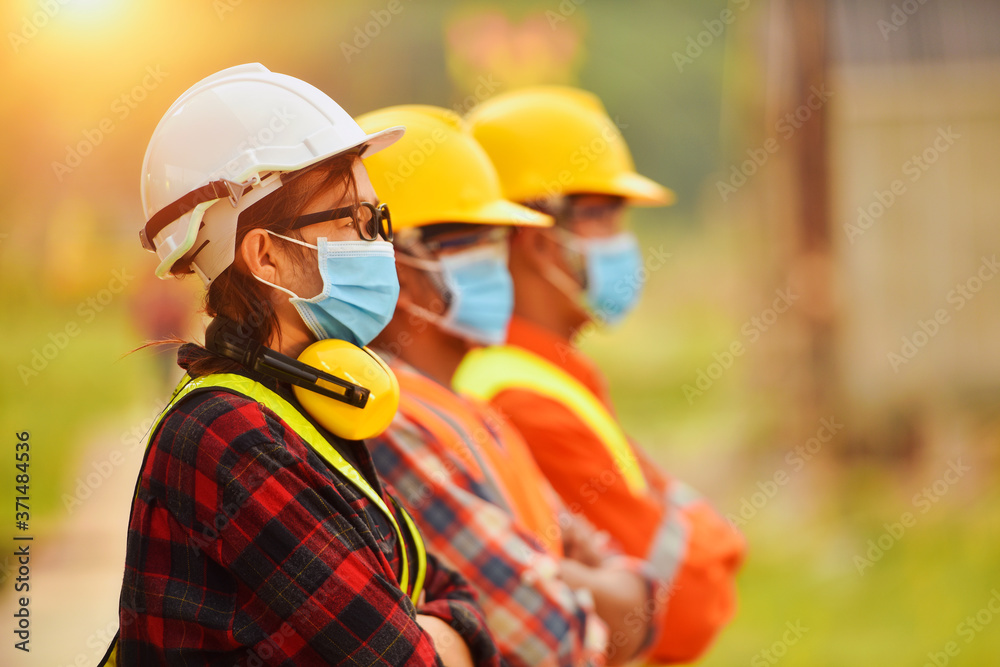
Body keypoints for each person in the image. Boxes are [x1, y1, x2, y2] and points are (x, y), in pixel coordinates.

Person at [104, 64, 502, 666]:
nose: (379, 244)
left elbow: (459, 602)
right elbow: (411, 658)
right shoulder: (228, 437)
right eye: (357, 221)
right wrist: (439, 634)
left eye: (379, 220)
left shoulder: (302, 406)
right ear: (266, 255)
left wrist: (441, 631)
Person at [357, 105, 666, 666]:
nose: (497, 263)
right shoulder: (388, 419)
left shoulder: (471, 413)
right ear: (396, 266)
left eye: (498, 240)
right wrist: (579, 581)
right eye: (472, 240)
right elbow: (553, 639)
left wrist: (570, 579)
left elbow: (635, 603)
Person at [459, 86, 747, 664]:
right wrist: (702, 525)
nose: (624, 241)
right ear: (540, 242)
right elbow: (687, 609)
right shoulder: (516, 398)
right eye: (608, 215)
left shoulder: (548, 375)